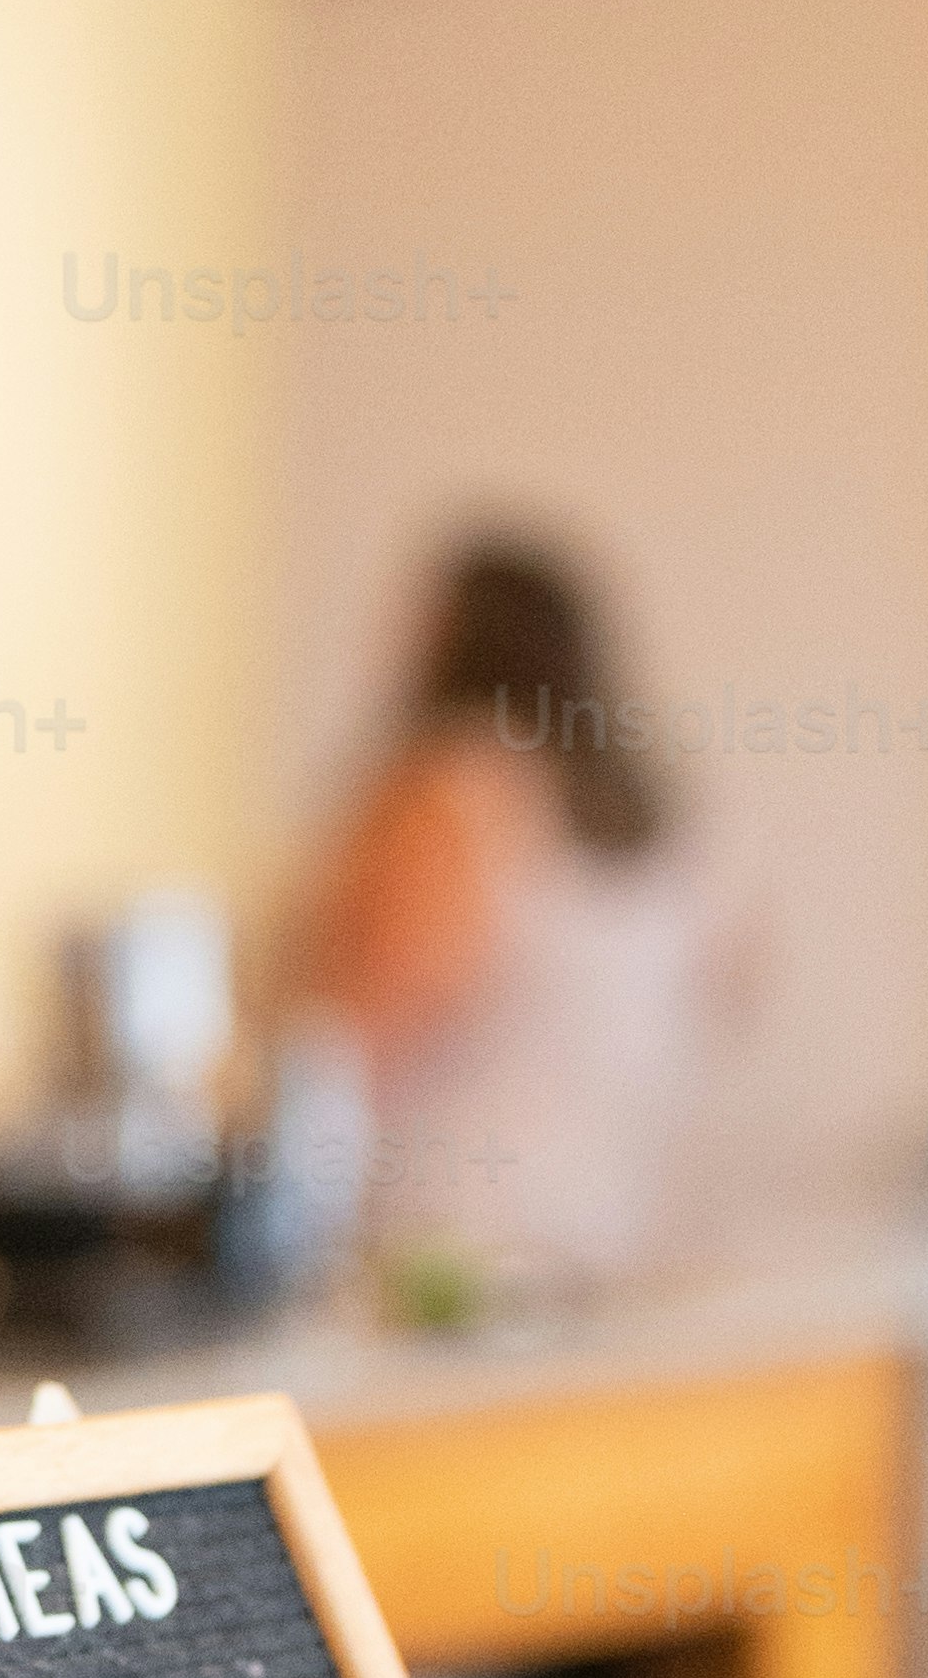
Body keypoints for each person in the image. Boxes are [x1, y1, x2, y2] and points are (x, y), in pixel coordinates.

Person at [271, 535, 728, 1298]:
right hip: (611, 1247)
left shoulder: (448, 793)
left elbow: (347, 1050)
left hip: (438, 1267)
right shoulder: (656, 825)